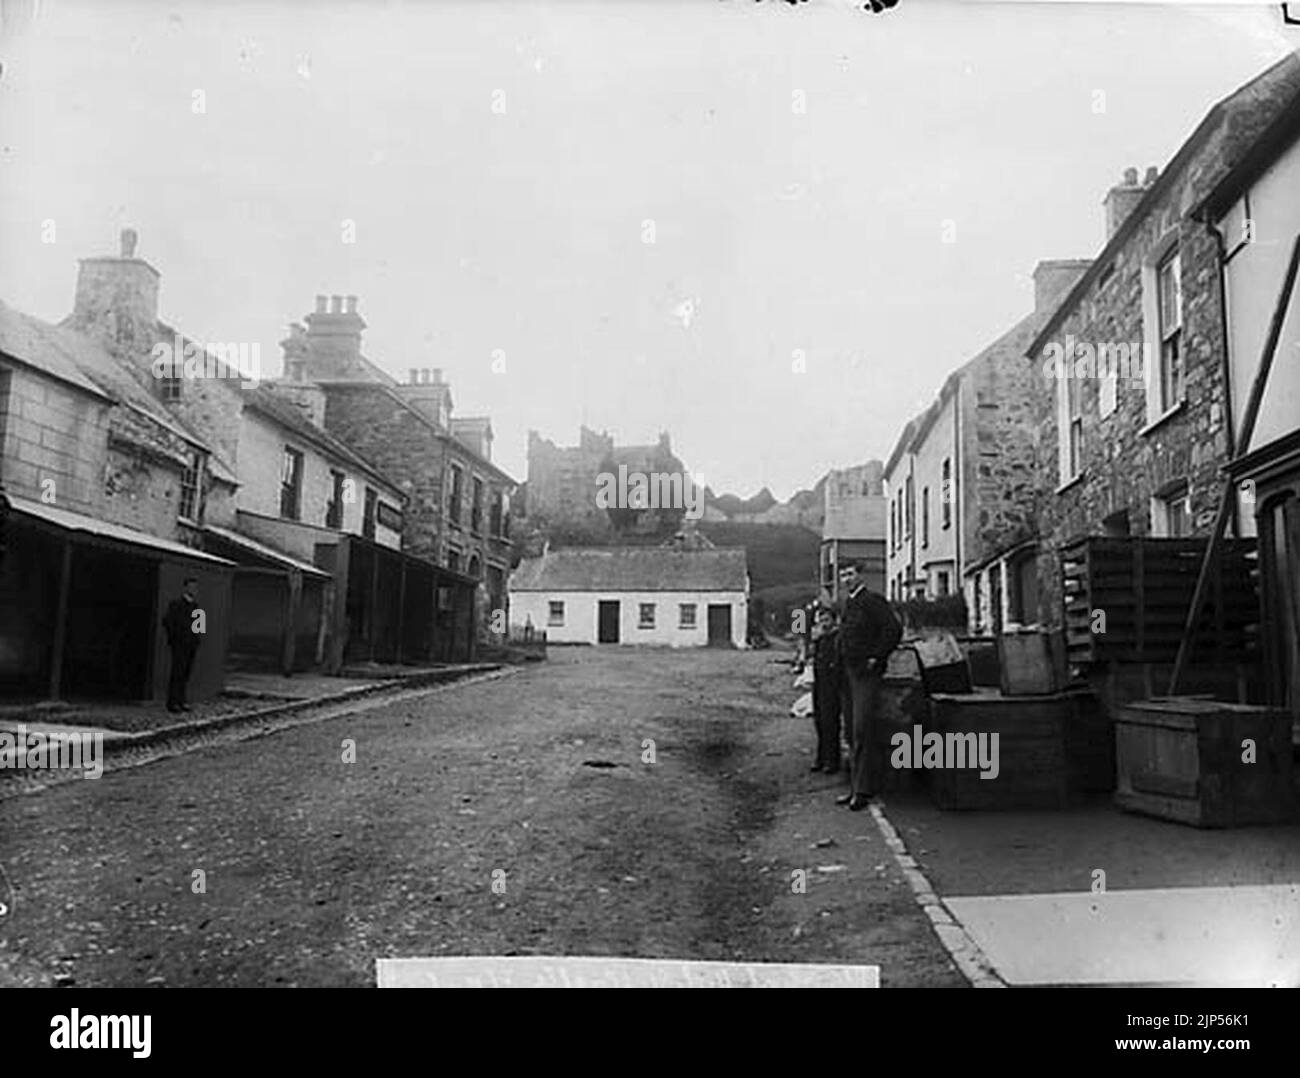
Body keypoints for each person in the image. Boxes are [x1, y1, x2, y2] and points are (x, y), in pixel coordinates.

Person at [834, 560, 902, 810]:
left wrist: (877, 656)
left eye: (851, 574)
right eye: (843, 575)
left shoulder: (873, 601)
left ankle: (863, 791)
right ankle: (856, 786)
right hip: (847, 673)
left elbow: (893, 629)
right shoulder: (849, 603)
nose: (847, 579)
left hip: (865, 674)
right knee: (851, 731)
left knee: (862, 730)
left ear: (860, 576)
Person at [809, 605, 843, 774]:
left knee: (831, 722)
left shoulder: (837, 638)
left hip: (832, 685)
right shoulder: (820, 639)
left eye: (827, 620)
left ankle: (832, 760)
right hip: (819, 683)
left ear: (834, 620)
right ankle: (821, 757)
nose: (824, 623)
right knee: (820, 721)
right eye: (821, 620)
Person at [163, 576, 202, 713]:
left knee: (186, 673)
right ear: (185, 588)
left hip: (191, 645)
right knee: (177, 672)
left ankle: (182, 700)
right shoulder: (176, 605)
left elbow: (199, 627)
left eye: (195, 587)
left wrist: (196, 640)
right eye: (191, 586)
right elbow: (168, 622)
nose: (193, 590)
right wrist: (175, 638)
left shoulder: (196, 607)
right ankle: (173, 702)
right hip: (179, 644)